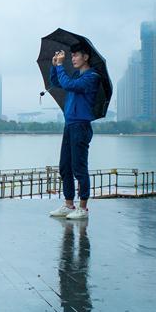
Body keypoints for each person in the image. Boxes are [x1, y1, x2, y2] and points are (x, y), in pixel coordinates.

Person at [49, 43, 100, 220]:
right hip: (69, 125)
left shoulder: (91, 77)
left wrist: (61, 67)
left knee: (79, 168)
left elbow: (68, 84)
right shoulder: (76, 76)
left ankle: (83, 208)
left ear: (86, 57)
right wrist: (54, 65)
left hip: (81, 125)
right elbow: (56, 82)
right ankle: (69, 203)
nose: (73, 59)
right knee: (65, 167)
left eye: (76, 55)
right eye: (71, 56)